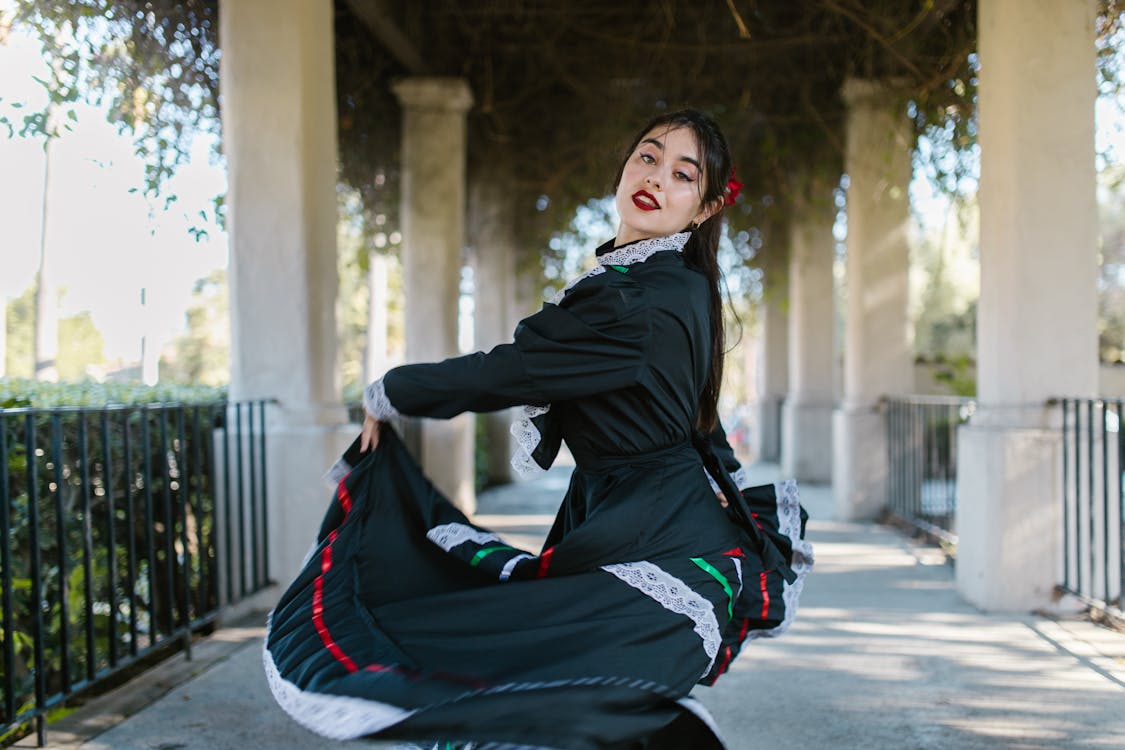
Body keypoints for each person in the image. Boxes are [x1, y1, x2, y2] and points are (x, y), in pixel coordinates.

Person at [264, 109, 812, 750]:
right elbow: (698, 414)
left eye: (682, 175)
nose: (656, 178)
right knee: (580, 683)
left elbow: (517, 370)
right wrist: (726, 483)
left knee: (558, 681)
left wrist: (392, 391)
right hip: (651, 510)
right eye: (648, 157)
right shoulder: (676, 282)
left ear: (704, 207)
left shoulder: (637, 297)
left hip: (649, 525)